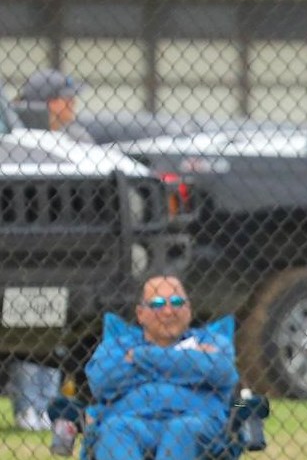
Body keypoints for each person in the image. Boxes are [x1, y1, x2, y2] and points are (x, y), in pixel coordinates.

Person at [5, 69, 93, 431]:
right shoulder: (17, 138)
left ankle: (48, 406)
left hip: (69, 249)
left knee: (56, 326)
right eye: (63, 99)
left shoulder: (75, 137)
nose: (70, 105)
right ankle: (29, 406)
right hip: (25, 249)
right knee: (28, 316)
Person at [84, 275, 238, 460]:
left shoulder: (211, 340)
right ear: (140, 314)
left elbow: (222, 372)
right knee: (113, 429)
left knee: (180, 429)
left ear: (188, 309)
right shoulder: (117, 345)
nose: (168, 311)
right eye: (157, 303)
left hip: (195, 421)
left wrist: (141, 358)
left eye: (177, 302)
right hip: (132, 421)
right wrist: (187, 363)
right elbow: (102, 381)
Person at [14, 68, 95, 143]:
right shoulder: (21, 135)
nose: (73, 102)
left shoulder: (75, 134)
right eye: (68, 97)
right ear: (49, 102)